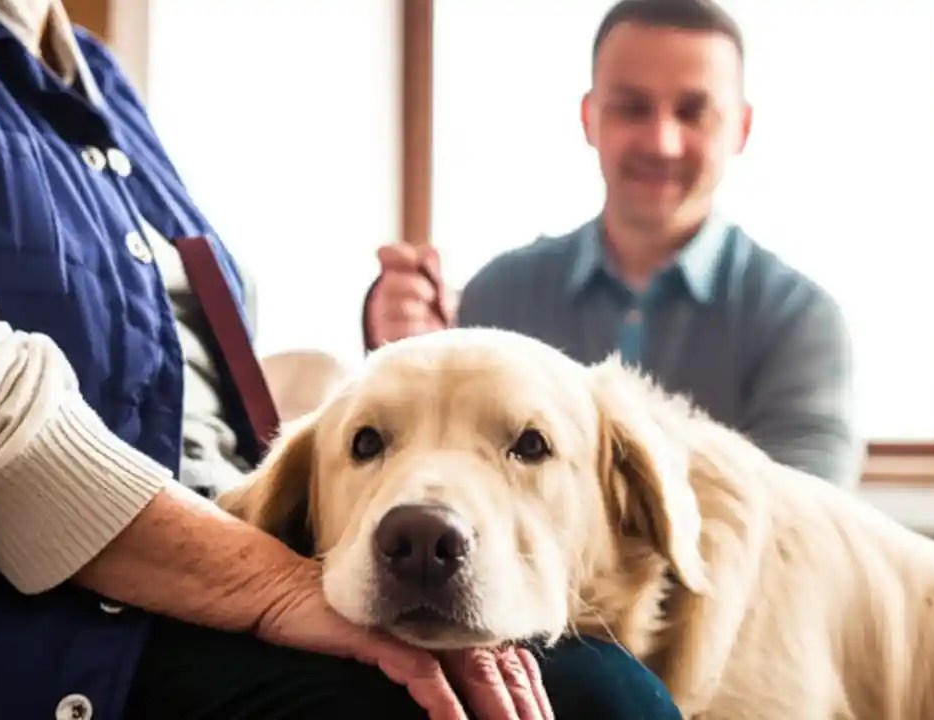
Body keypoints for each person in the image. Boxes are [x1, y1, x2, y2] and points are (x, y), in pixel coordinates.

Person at [0, 1, 684, 718]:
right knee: (595, 701)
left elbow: (190, 394)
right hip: (31, 624)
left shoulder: (98, 81)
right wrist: (268, 585)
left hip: (213, 547)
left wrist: (382, 382)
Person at [365, 0, 865, 488]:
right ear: (589, 118)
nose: (662, 142)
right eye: (633, 108)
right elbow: (431, 482)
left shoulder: (801, 322)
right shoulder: (499, 295)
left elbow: (801, 528)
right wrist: (398, 349)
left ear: (741, 127)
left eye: (694, 112)